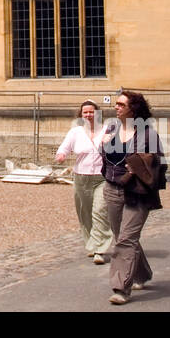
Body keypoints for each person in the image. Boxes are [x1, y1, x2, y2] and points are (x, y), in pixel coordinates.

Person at [100, 89, 165, 306]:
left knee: (126, 239)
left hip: (137, 192)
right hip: (112, 188)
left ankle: (121, 288)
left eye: (121, 104)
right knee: (123, 237)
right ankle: (143, 274)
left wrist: (140, 162)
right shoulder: (112, 128)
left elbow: (158, 164)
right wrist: (104, 143)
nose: (116, 107)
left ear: (133, 109)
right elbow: (106, 158)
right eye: (116, 104)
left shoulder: (148, 134)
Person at [55, 100, 113, 263]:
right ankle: (92, 243)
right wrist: (61, 155)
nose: (88, 115)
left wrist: (109, 143)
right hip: (81, 177)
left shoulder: (108, 130)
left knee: (100, 211)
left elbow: (117, 150)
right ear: (81, 115)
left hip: (103, 178)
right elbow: (64, 147)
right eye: (85, 112)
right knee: (85, 213)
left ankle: (99, 250)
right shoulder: (76, 132)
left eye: (91, 112)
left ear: (98, 113)